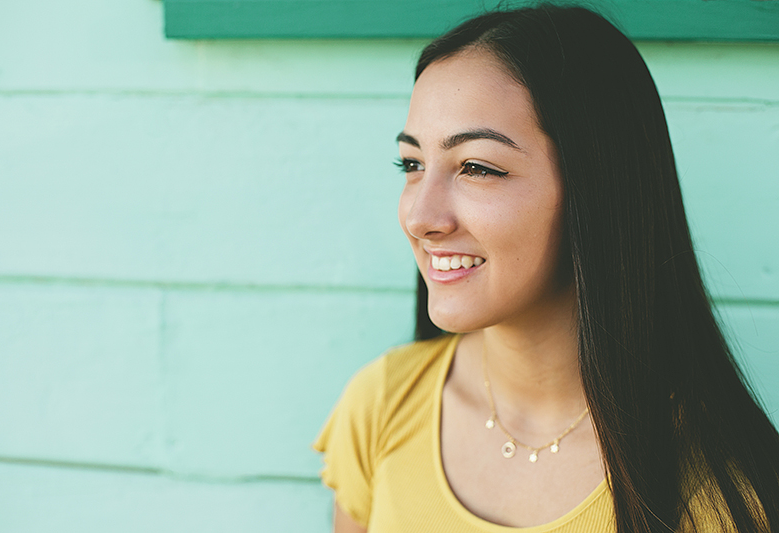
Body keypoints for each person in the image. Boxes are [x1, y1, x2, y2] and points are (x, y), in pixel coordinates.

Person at [313, 5, 779, 532]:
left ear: (594, 188)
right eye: (413, 164)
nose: (420, 218)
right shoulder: (381, 406)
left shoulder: (719, 494)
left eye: (477, 168)